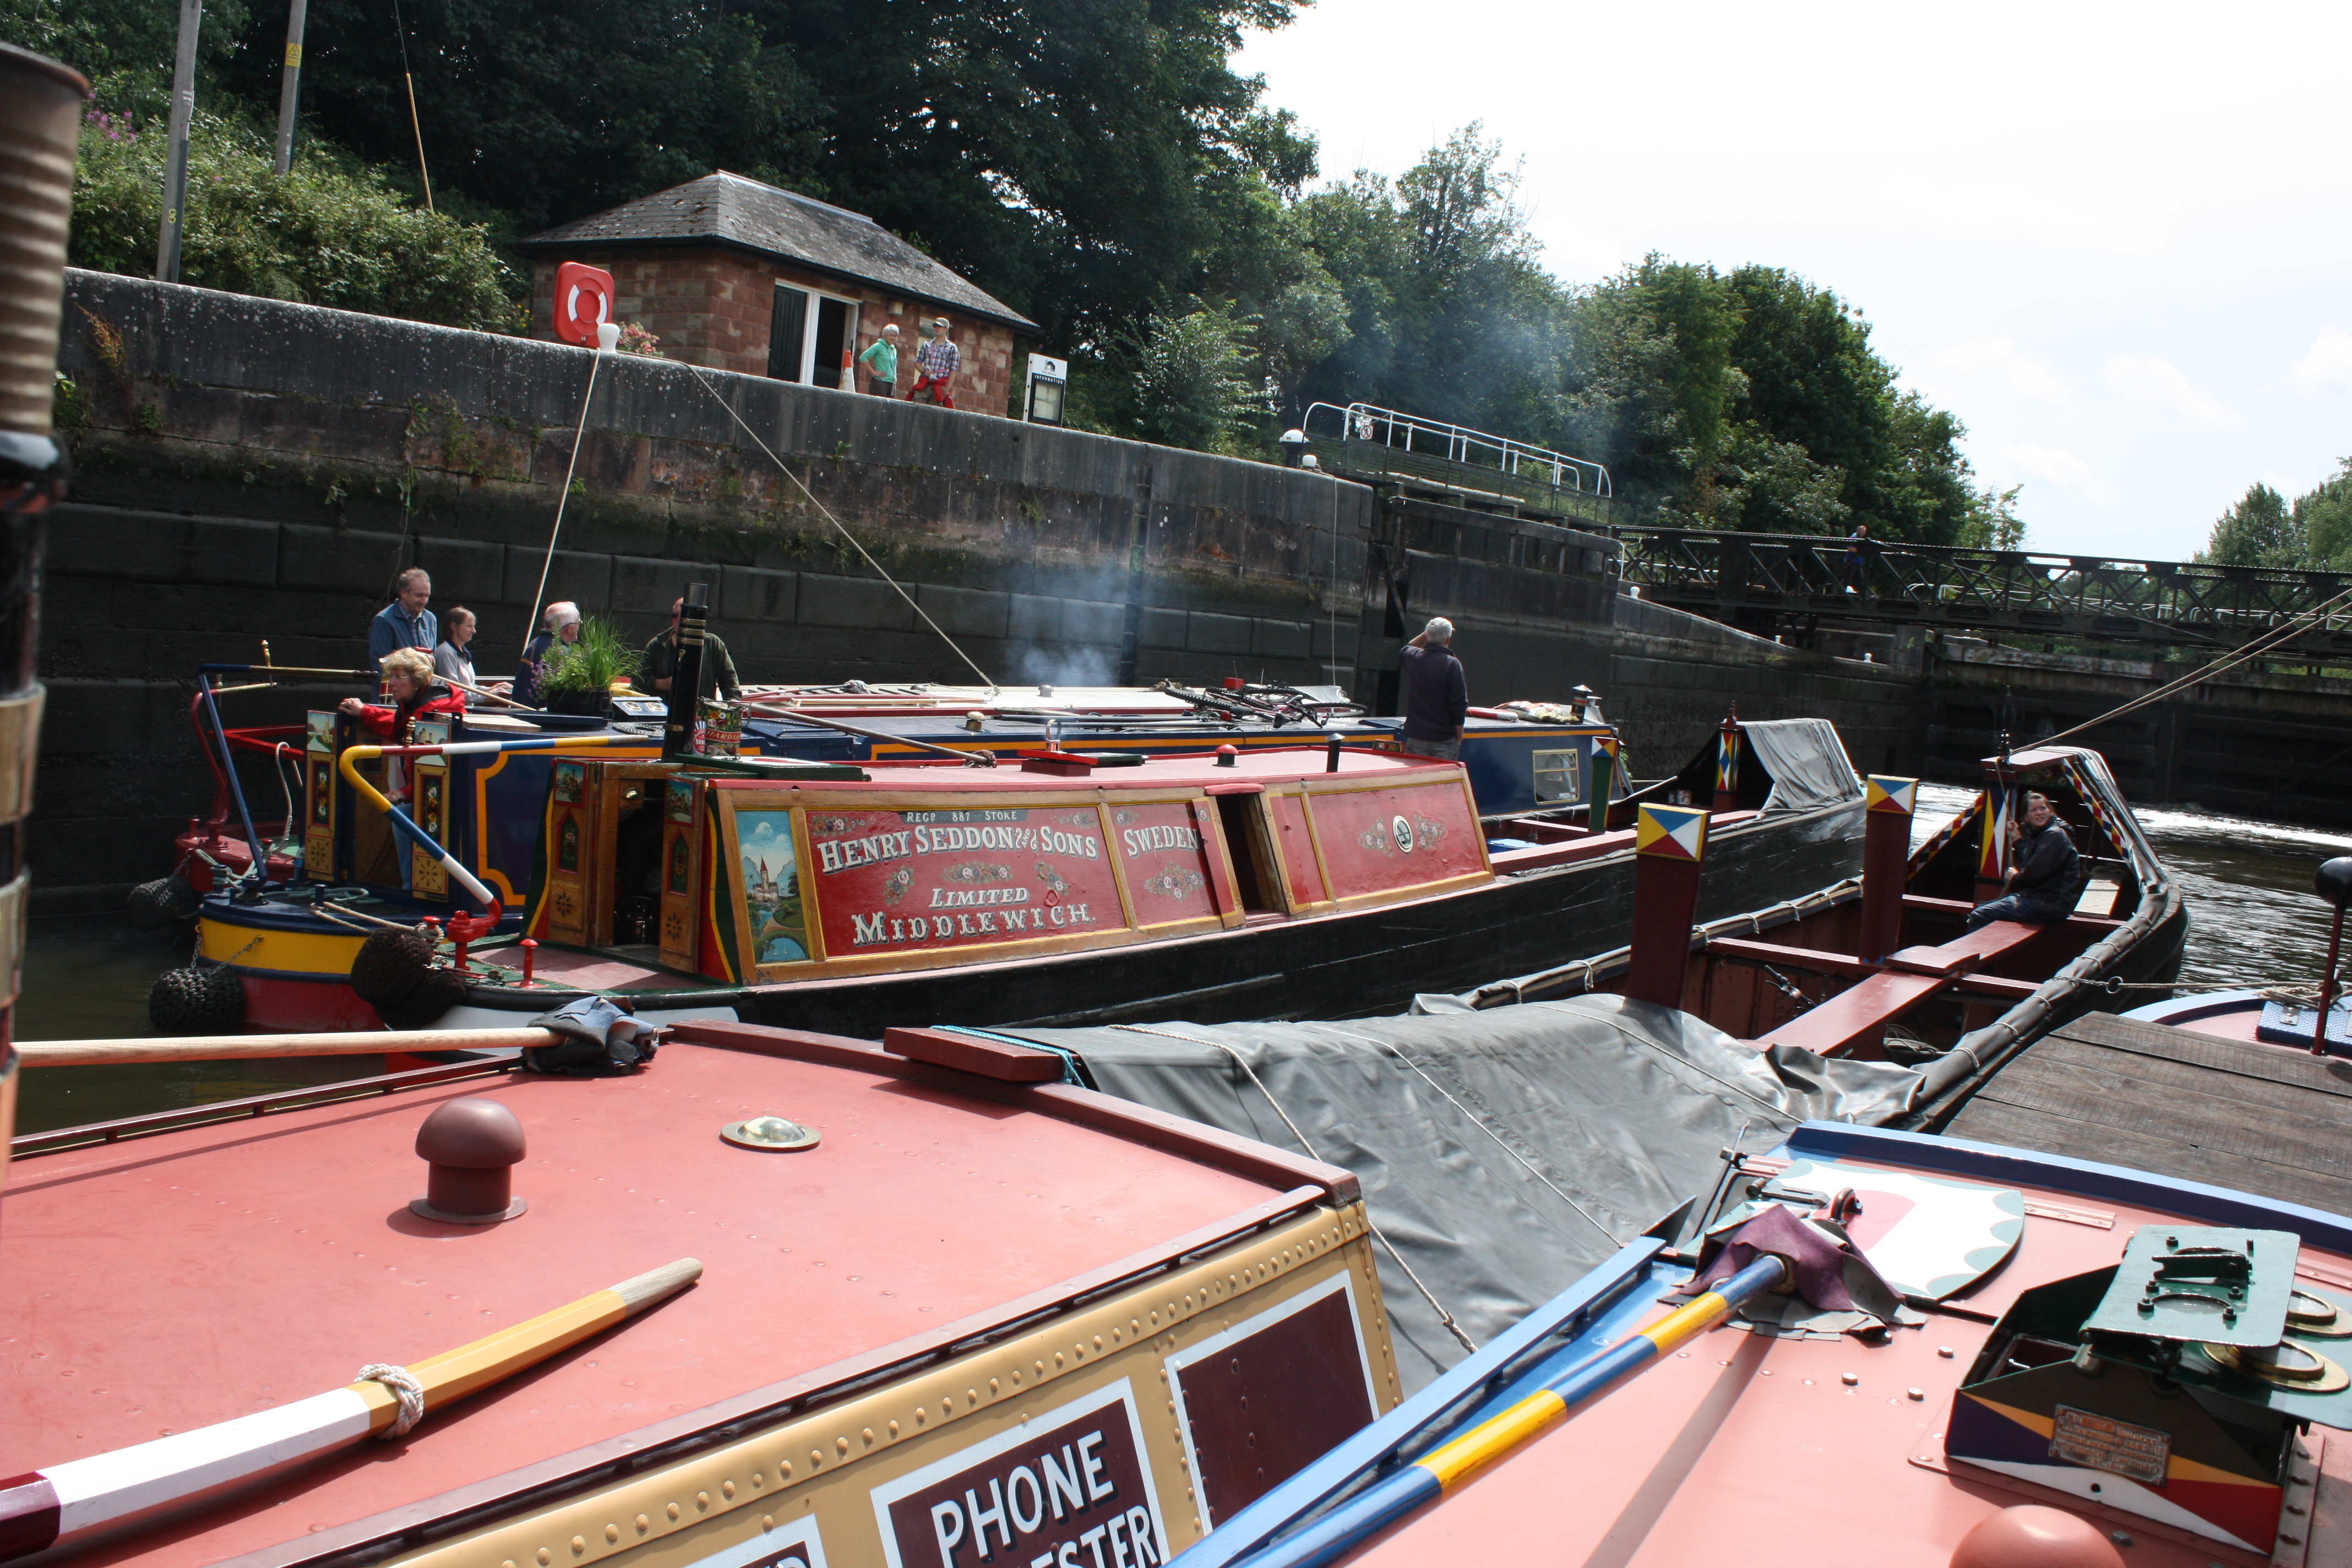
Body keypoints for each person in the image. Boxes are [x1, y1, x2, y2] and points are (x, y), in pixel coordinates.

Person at [337, 647, 466, 802]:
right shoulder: (415, 703)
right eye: (391, 676)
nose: (392, 683)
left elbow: (437, 772)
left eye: (399, 677)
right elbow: (400, 730)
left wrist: (405, 794)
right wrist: (365, 712)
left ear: (417, 679)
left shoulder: (436, 713)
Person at [1966, 791, 2083, 932]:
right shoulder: (2046, 834)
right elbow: (2036, 859)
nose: (2040, 813)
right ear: (2027, 817)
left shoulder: (2054, 835)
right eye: (2034, 810)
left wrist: (2015, 877)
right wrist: (2017, 838)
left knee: (1979, 915)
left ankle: (1977, 946)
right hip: (2045, 903)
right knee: (1983, 908)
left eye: (2043, 808)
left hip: (2047, 906)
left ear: (2050, 811)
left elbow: (2033, 874)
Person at [643, 598, 742, 701]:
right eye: (675, 615)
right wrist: (662, 684)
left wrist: (732, 706)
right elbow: (639, 682)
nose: (679, 619)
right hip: (665, 709)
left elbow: (730, 681)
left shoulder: (712, 644)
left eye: (684, 615)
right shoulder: (657, 644)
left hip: (701, 708)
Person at [1398, 617, 1468, 760]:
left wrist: (1429, 632)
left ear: (1427, 635)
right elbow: (1459, 704)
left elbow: (1407, 647)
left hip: (1415, 737)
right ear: (1448, 639)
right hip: (1443, 740)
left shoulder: (1414, 657)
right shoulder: (1452, 665)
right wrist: (1459, 734)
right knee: (1441, 775)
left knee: (1416, 775)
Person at [514, 601, 580, 708]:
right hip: (538, 715)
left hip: (520, 711)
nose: (579, 627)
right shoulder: (561, 651)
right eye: (579, 623)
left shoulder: (535, 643)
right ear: (569, 628)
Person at [368, 568, 435, 662]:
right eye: (419, 595)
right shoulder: (384, 620)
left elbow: (432, 658)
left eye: (427, 596)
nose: (424, 601)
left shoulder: (430, 619)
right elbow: (381, 664)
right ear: (403, 593)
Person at [907, 317, 960, 409]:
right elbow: (917, 363)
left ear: (946, 329)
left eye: (939, 326)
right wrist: (925, 371)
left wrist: (947, 389)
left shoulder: (952, 348)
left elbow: (953, 370)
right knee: (917, 408)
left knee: (935, 411)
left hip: (939, 386)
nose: (936, 328)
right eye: (935, 326)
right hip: (924, 383)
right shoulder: (927, 344)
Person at [433, 606, 479, 704]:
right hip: (455, 710)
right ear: (454, 627)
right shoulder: (446, 652)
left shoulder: (463, 653)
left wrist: (492, 690)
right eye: (469, 626)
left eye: (473, 626)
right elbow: (455, 691)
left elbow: (471, 687)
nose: (474, 631)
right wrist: (489, 695)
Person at [856, 324, 900, 397]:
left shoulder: (894, 350)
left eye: (895, 336)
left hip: (891, 384)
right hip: (880, 383)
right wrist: (874, 373)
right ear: (885, 335)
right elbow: (863, 357)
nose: (893, 338)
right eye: (891, 335)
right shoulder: (878, 346)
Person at [1842, 524, 1869, 593]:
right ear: (1858, 530)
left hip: (1857, 562)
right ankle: (1840, 593)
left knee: (1861, 580)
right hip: (1851, 562)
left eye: (1864, 531)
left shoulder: (1861, 539)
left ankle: (1865, 595)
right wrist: (1861, 552)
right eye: (1861, 530)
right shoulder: (1853, 538)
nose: (1862, 532)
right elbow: (1850, 548)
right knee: (1847, 579)